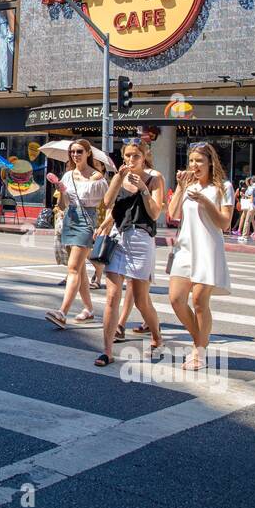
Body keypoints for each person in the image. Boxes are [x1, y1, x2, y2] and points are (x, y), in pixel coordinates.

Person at [92, 138, 164, 368]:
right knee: (112, 297)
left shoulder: (155, 178)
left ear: (144, 157)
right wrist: (117, 179)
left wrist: (143, 189)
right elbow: (108, 202)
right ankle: (107, 350)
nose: (131, 160)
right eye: (127, 156)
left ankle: (156, 337)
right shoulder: (119, 177)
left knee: (141, 300)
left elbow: (154, 214)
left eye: (135, 156)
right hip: (119, 238)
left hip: (142, 240)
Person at [166, 142, 234, 371]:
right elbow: (173, 214)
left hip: (208, 248)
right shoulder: (187, 185)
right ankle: (200, 340)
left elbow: (225, 223)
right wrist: (179, 187)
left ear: (210, 163)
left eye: (199, 161)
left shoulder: (223, 187)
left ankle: (199, 350)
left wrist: (205, 202)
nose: (194, 165)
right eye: (192, 161)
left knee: (199, 303)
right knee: (176, 299)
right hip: (185, 248)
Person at [45, 140, 106, 330]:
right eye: (72, 152)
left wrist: (104, 225)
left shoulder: (97, 177)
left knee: (72, 268)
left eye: (79, 151)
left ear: (88, 153)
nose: (75, 155)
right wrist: (61, 191)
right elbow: (63, 205)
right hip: (70, 219)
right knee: (79, 270)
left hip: (86, 220)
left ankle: (62, 312)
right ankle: (88, 308)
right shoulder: (68, 175)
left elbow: (104, 202)